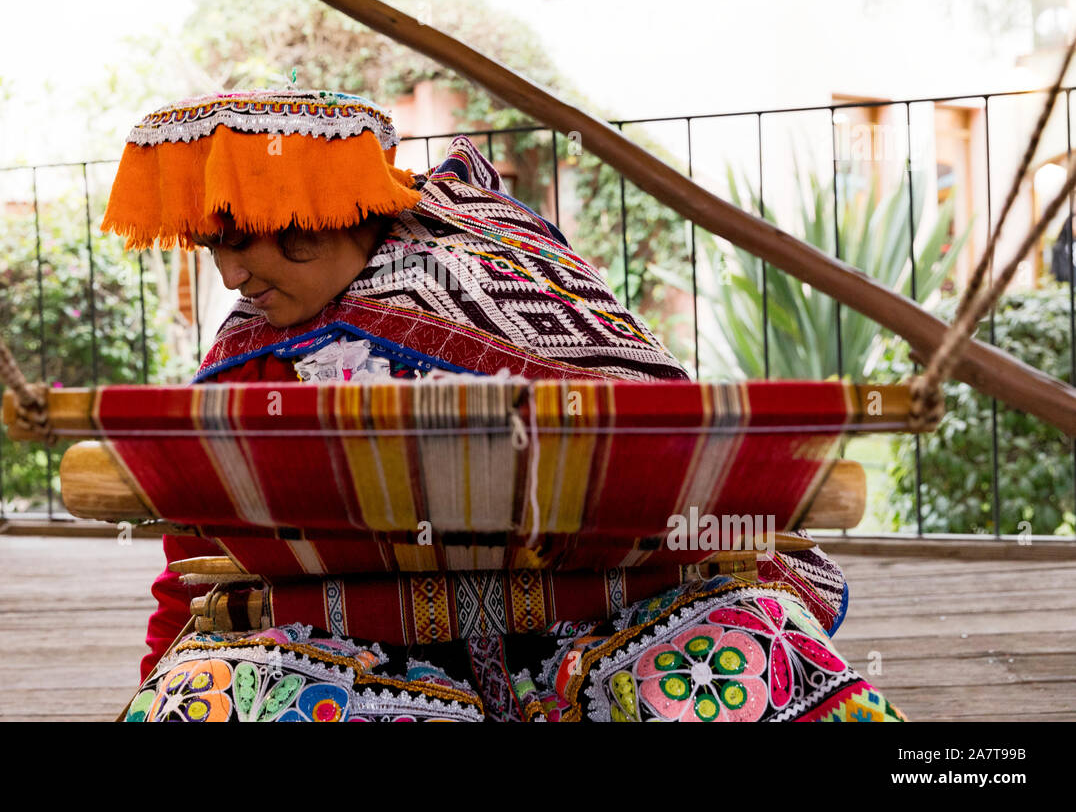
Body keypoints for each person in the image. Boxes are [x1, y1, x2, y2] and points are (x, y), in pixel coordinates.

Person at [101, 88, 903, 722]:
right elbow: (196, 560)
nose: (234, 277)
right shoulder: (249, 356)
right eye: (217, 249)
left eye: (250, 240)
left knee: (745, 657)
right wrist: (157, 675)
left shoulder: (495, 268)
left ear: (331, 210)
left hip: (591, 623)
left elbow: (670, 454)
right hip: (358, 646)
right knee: (206, 700)